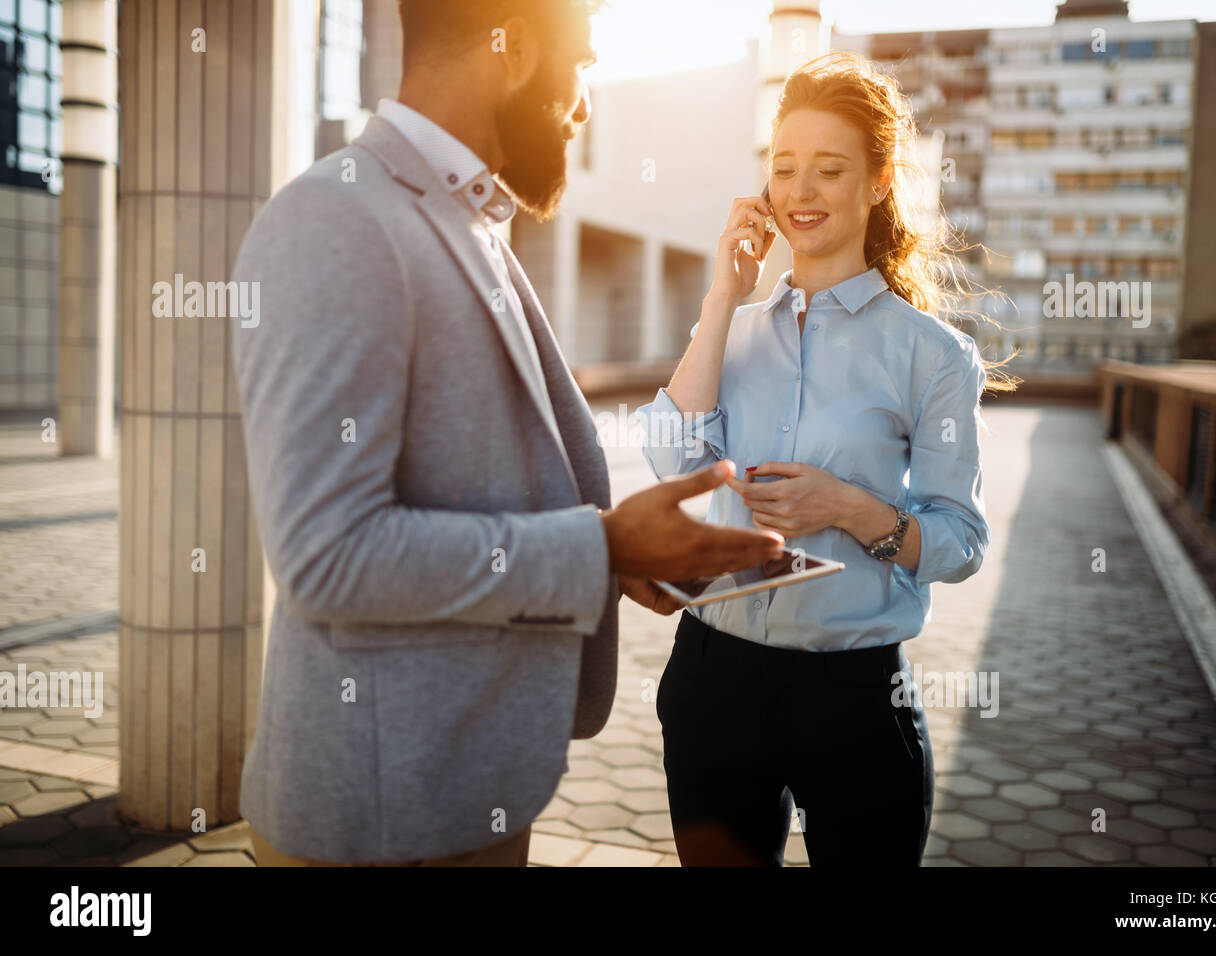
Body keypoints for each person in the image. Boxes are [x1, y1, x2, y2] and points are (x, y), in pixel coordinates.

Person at [230, 0, 784, 867]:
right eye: (584, 64)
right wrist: (596, 548)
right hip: (378, 822)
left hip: (464, 794)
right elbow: (326, 555)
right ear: (515, 49)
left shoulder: (468, 220)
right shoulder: (336, 220)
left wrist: (628, 555)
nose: (586, 104)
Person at [637, 52, 1016, 867]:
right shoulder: (730, 331)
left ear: (879, 182)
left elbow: (960, 541)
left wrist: (851, 509)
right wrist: (719, 299)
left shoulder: (933, 356)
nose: (800, 191)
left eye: (829, 169)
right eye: (784, 169)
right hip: (714, 679)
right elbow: (671, 462)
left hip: (853, 695)